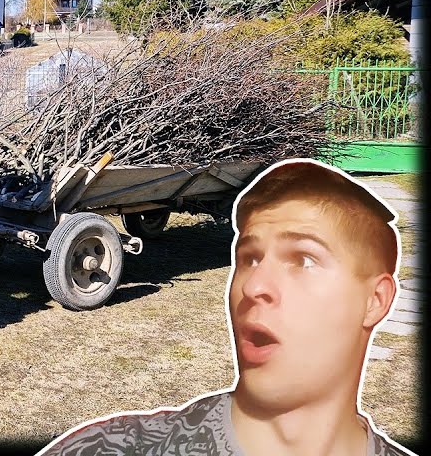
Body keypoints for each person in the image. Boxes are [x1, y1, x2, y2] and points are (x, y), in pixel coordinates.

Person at [37, 157, 415, 456]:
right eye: (248, 257)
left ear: (377, 300)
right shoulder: (108, 446)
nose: (254, 287)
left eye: (304, 259)